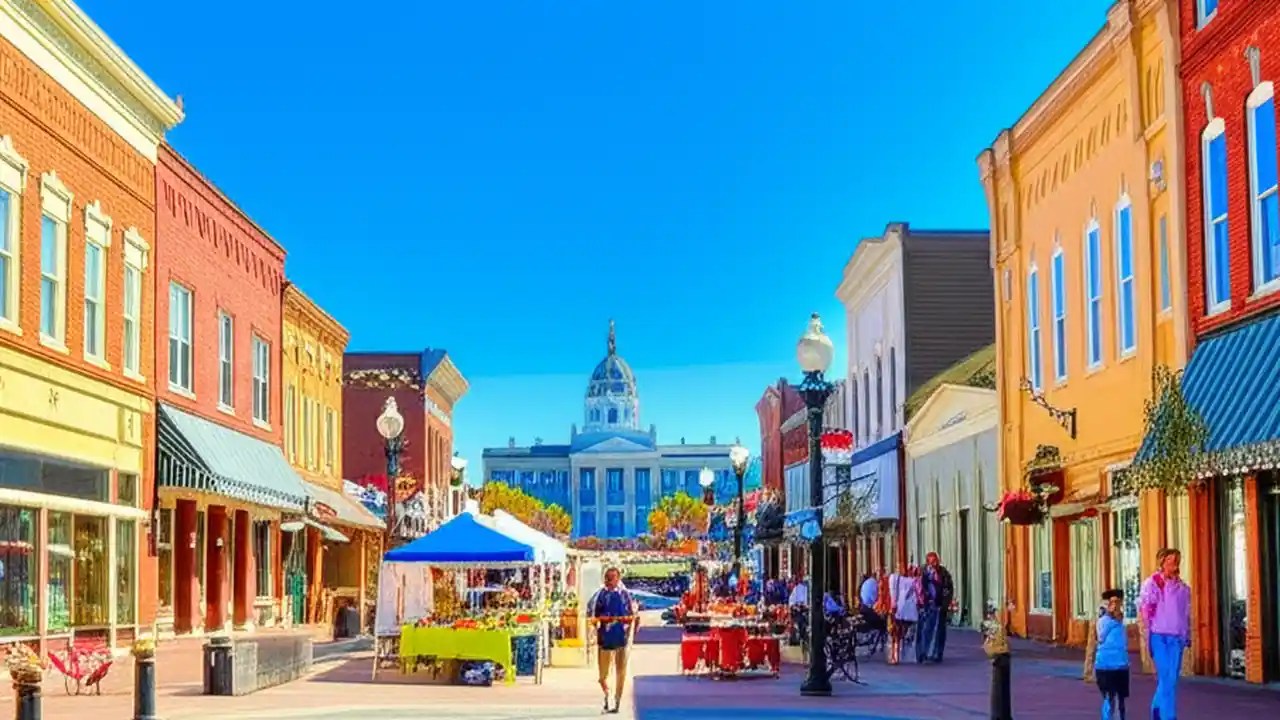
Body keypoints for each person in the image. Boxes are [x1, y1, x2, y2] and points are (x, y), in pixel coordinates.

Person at [1140, 548, 1190, 720]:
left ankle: (1156, 708)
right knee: (1166, 676)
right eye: (1169, 560)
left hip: (1176, 638)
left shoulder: (1183, 589)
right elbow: (1145, 608)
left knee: (1171, 679)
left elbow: (1184, 614)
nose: (1173, 564)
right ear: (1162, 563)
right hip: (1159, 636)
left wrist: (1185, 635)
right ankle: (1169, 716)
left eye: (1176, 560)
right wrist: (1147, 632)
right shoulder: (1152, 583)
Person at [588, 566, 638, 714]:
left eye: (612, 577)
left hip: (621, 638)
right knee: (603, 674)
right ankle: (607, 693)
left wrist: (625, 622)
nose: (609, 580)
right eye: (607, 577)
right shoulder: (601, 595)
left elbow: (632, 616)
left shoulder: (625, 595)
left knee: (620, 671)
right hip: (605, 638)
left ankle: (616, 701)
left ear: (618, 578)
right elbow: (593, 617)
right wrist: (602, 620)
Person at [1095, 589, 1130, 720]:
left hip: (1121, 665)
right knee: (1109, 697)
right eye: (1112, 603)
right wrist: (1112, 619)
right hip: (1105, 666)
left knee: (1121, 700)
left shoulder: (1122, 622)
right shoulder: (1103, 621)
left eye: (1118, 602)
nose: (1116, 606)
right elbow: (1101, 637)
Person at [916, 552, 955, 663]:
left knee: (940, 631)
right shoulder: (923, 573)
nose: (935, 563)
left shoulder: (944, 573)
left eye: (936, 561)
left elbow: (948, 588)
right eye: (932, 561)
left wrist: (945, 604)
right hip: (927, 606)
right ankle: (922, 653)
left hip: (940, 606)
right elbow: (919, 588)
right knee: (925, 630)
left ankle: (938, 653)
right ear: (928, 562)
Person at [887, 563, 919, 665]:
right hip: (909, 612)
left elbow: (893, 594)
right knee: (904, 633)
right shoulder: (914, 581)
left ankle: (895, 656)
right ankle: (905, 655)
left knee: (896, 634)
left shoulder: (894, 579)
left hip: (899, 610)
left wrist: (893, 604)